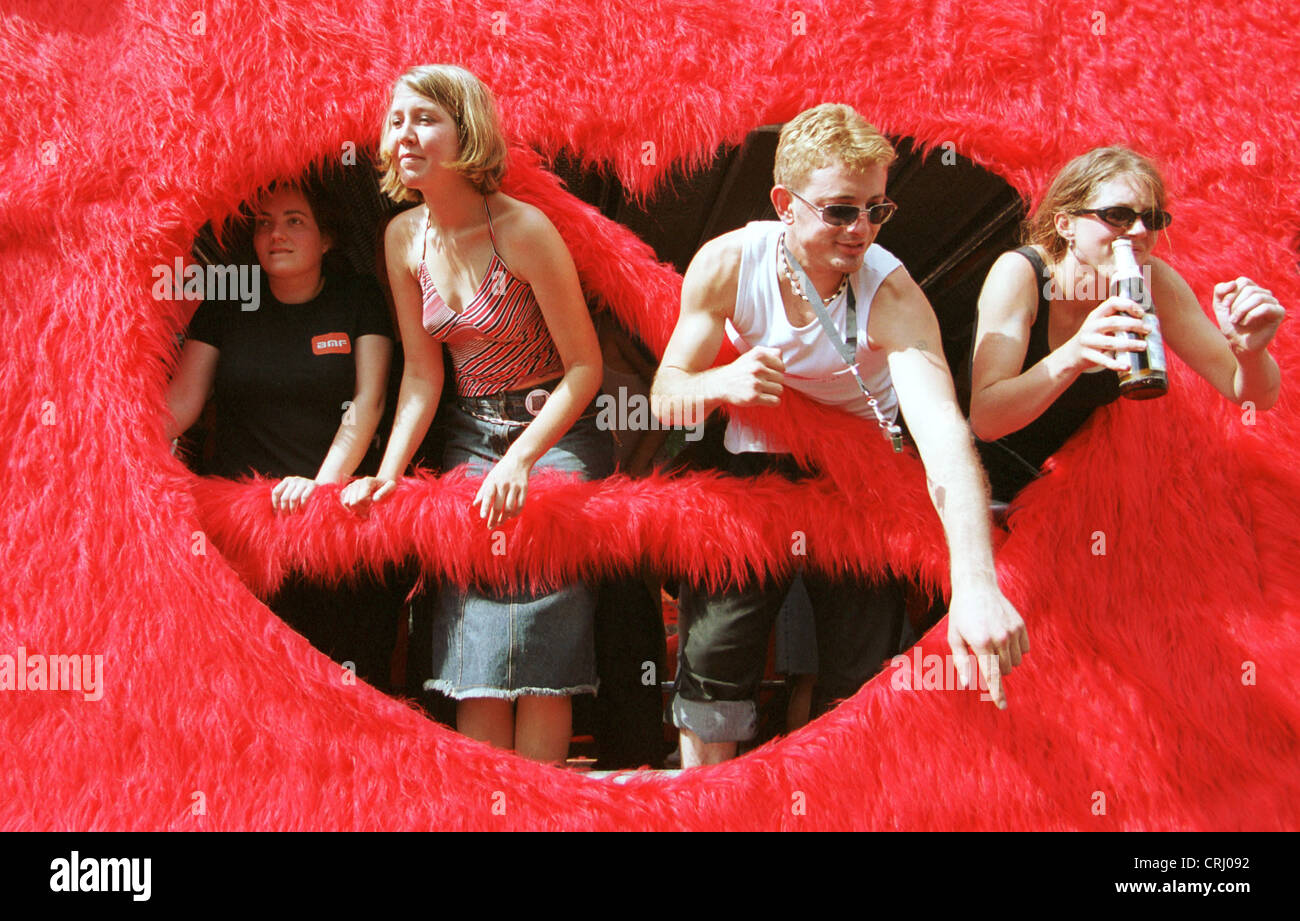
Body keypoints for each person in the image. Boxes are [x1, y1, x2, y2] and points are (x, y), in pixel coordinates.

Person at [651, 103, 1028, 768]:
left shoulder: (893, 294)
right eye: (840, 210)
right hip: (756, 464)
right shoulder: (729, 264)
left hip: (860, 480)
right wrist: (722, 384)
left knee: (863, 669)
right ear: (783, 203)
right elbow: (664, 397)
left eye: (877, 210)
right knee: (714, 655)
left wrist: (976, 583)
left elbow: (944, 438)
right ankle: (705, 808)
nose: (861, 231)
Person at [340, 65, 612, 763]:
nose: (405, 133)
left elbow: (586, 368)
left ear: (468, 134)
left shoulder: (523, 230)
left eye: (425, 118)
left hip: (555, 427)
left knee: (542, 643)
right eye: (396, 119)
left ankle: (539, 805)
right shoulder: (403, 238)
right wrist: (389, 473)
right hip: (469, 431)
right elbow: (424, 377)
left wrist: (524, 459)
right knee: (478, 651)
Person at [166, 181, 398, 686]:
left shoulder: (358, 297)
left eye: (295, 220)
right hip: (240, 527)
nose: (277, 234)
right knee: (245, 686)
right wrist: (105, 444)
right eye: (265, 222)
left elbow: (368, 402)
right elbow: (180, 403)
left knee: (339, 687)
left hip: (334, 523)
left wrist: (319, 489)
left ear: (327, 237)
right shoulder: (228, 303)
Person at [969, 146, 1285, 502]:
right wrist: (1074, 354)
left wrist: (1250, 352)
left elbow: (1253, 396)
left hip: (1068, 490)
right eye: (1117, 215)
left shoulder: (1154, 281)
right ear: (1065, 224)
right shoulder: (1021, 273)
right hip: (980, 472)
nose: (1137, 230)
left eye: (1152, 219)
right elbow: (986, 421)